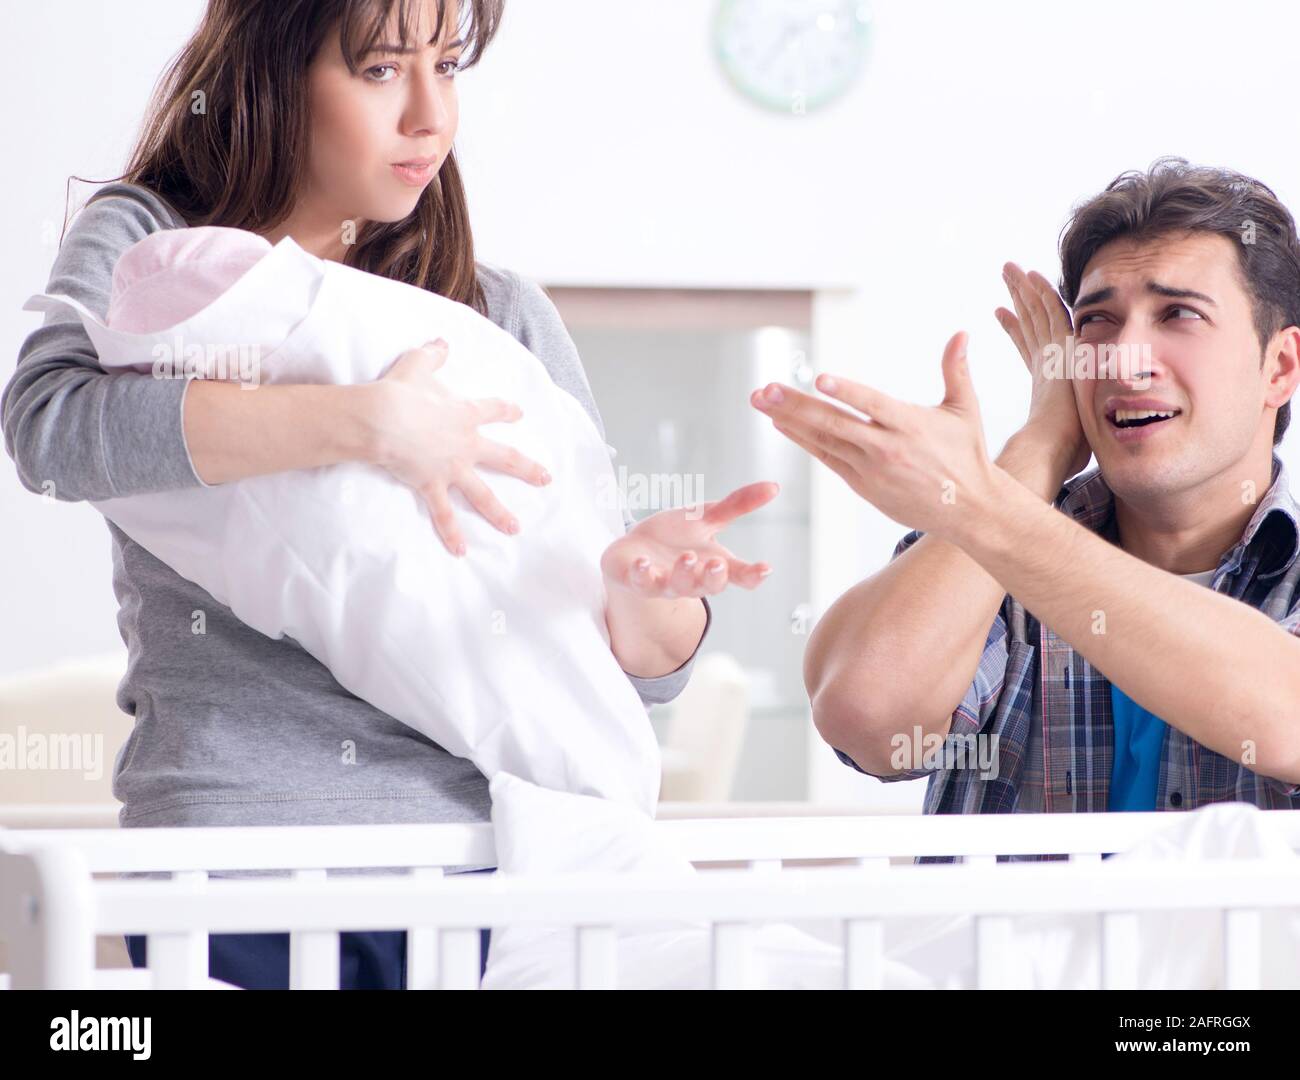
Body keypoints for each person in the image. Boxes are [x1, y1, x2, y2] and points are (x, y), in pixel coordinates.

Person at [3, 0, 774, 986]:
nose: (430, 117)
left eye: (447, 68)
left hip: (492, 861)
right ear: (269, 72)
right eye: (378, 72)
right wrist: (363, 423)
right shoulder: (163, 252)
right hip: (248, 850)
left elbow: (636, 676)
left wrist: (644, 584)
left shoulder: (495, 313)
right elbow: (53, 428)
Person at [761, 159, 1300, 845]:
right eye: (1098, 321)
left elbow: (1286, 714)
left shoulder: (998, 525)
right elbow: (867, 716)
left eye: (1179, 315)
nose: (1122, 361)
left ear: (1279, 367)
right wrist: (1039, 445)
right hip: (994, 959)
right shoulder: (995, 544)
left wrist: (984, 505)